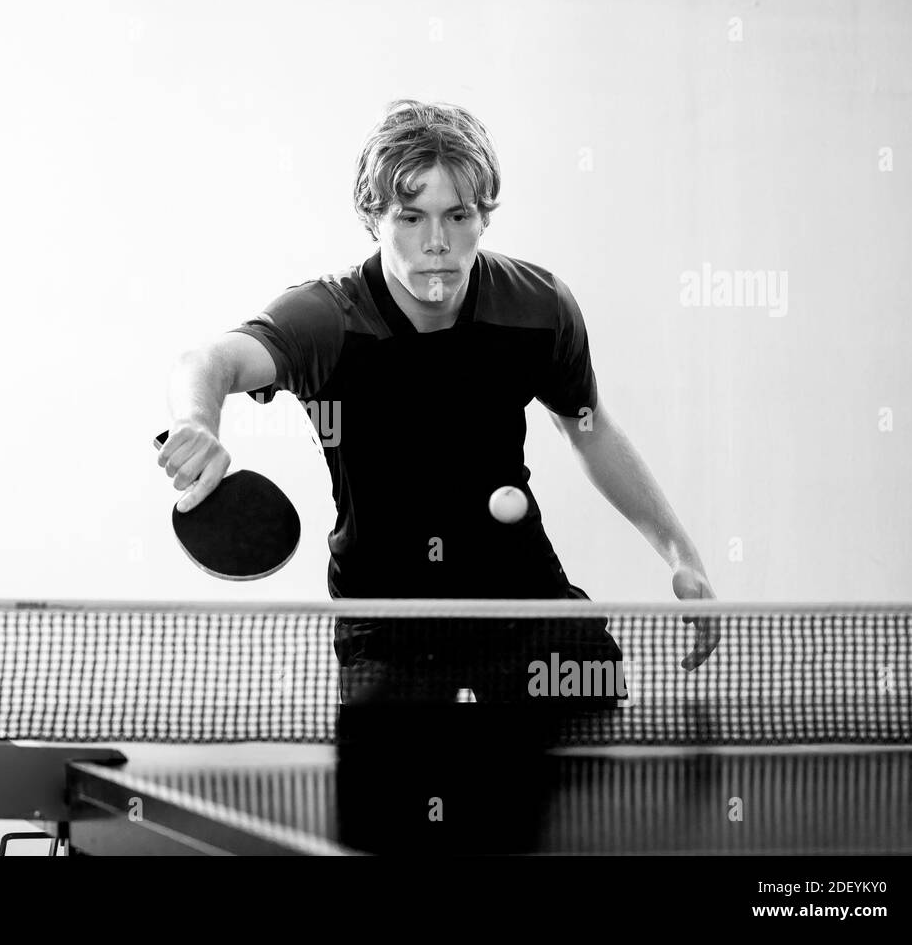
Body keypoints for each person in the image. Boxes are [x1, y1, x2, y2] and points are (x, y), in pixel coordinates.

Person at [157, 99, 715, 848]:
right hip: (388, 621)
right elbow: (209, 360)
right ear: (374, 219)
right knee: (388, 831)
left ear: (486, 214)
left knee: (582, 816)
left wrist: (681, 555)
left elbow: (590, 429)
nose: (437, 245)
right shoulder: (327, 319)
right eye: (411, 218)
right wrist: (197, 422)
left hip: (524, 607)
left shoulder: (537, 308)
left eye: (459, 216)